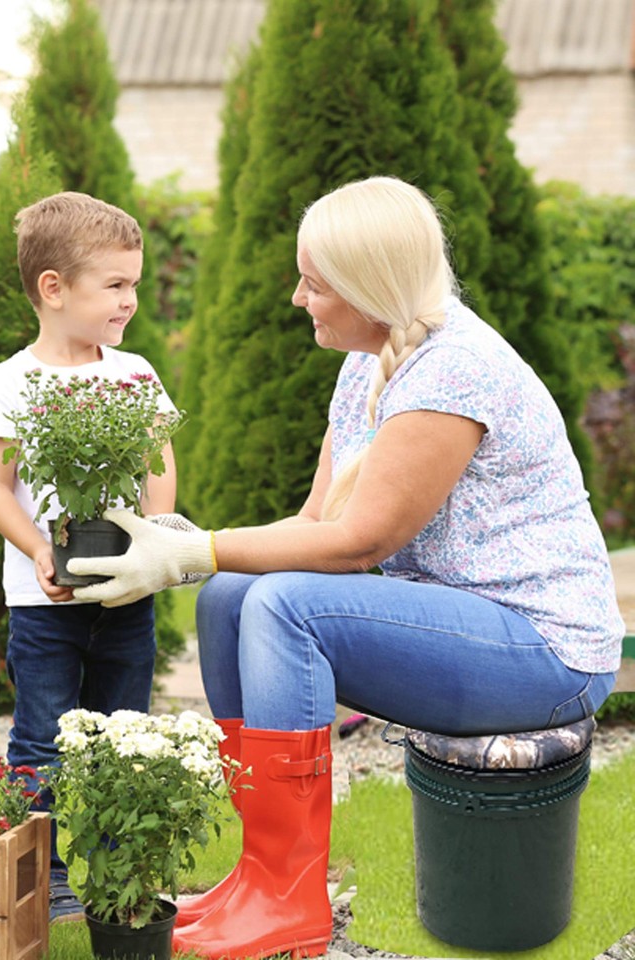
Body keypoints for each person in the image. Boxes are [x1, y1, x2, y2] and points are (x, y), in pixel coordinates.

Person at [68, 176, 625, 959]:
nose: (298, 298)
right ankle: (263, 873)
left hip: (545, 653)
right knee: (231, 596)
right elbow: (313, 525)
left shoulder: (453, 371)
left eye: (316, 283)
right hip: (466, 629)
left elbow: (357, 544)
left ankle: (291, 904)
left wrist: (190, 554)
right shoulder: (370, 361)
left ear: (371, 288)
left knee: (283, 606)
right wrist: (195, 547)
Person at [0, 191, 179, 924]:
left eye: (135, 283)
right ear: (53, 289)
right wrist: (36, 549)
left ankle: (123, 874)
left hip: (127, 594)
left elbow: (159, 463)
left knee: (126, 734)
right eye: (115, 285)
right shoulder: (13, 382)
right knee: (43, 734)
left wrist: (156, 535)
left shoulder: (134, 373)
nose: (131, 300)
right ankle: (48, 878)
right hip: (46, 602)